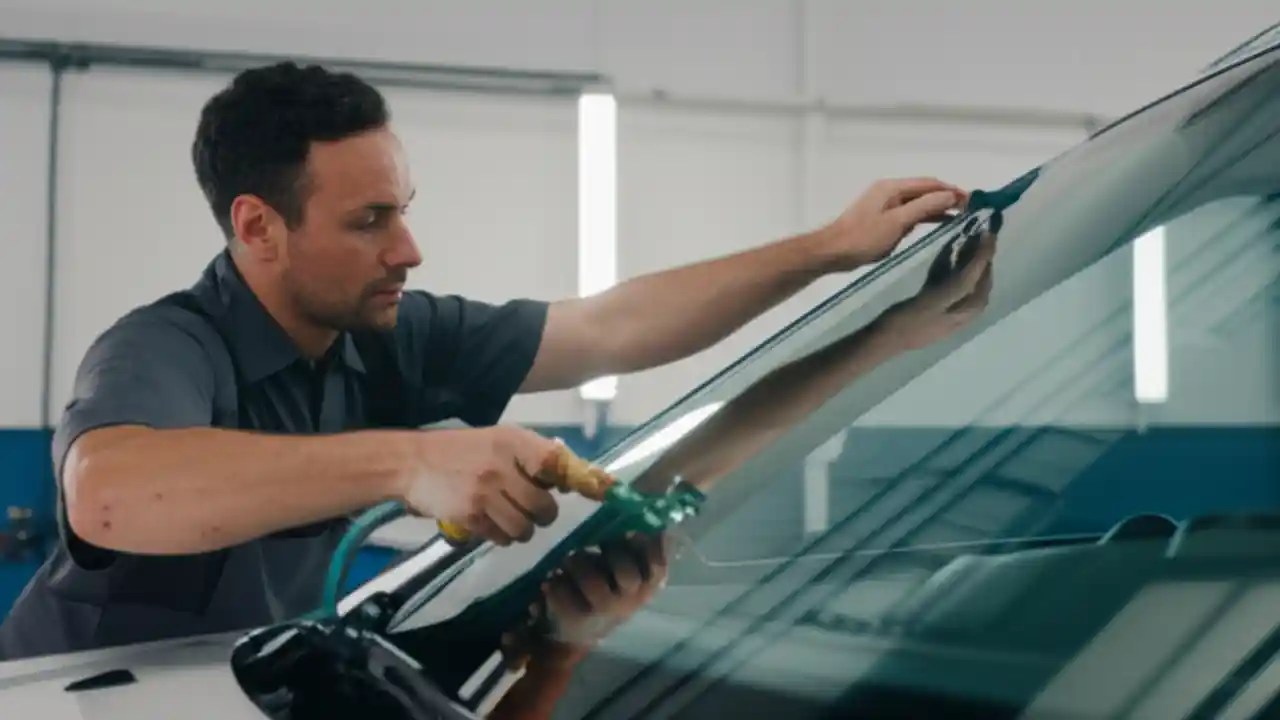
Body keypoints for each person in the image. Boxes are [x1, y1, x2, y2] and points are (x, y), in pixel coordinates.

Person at [0, 61, 965, 660]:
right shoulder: (167, 344)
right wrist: (405, 461)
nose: (408, 249)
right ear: (258, 227)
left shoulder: (391, 336)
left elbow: (608, 329)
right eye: (370, 220)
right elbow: (108, 494)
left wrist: (830, 249)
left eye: (405, 208)